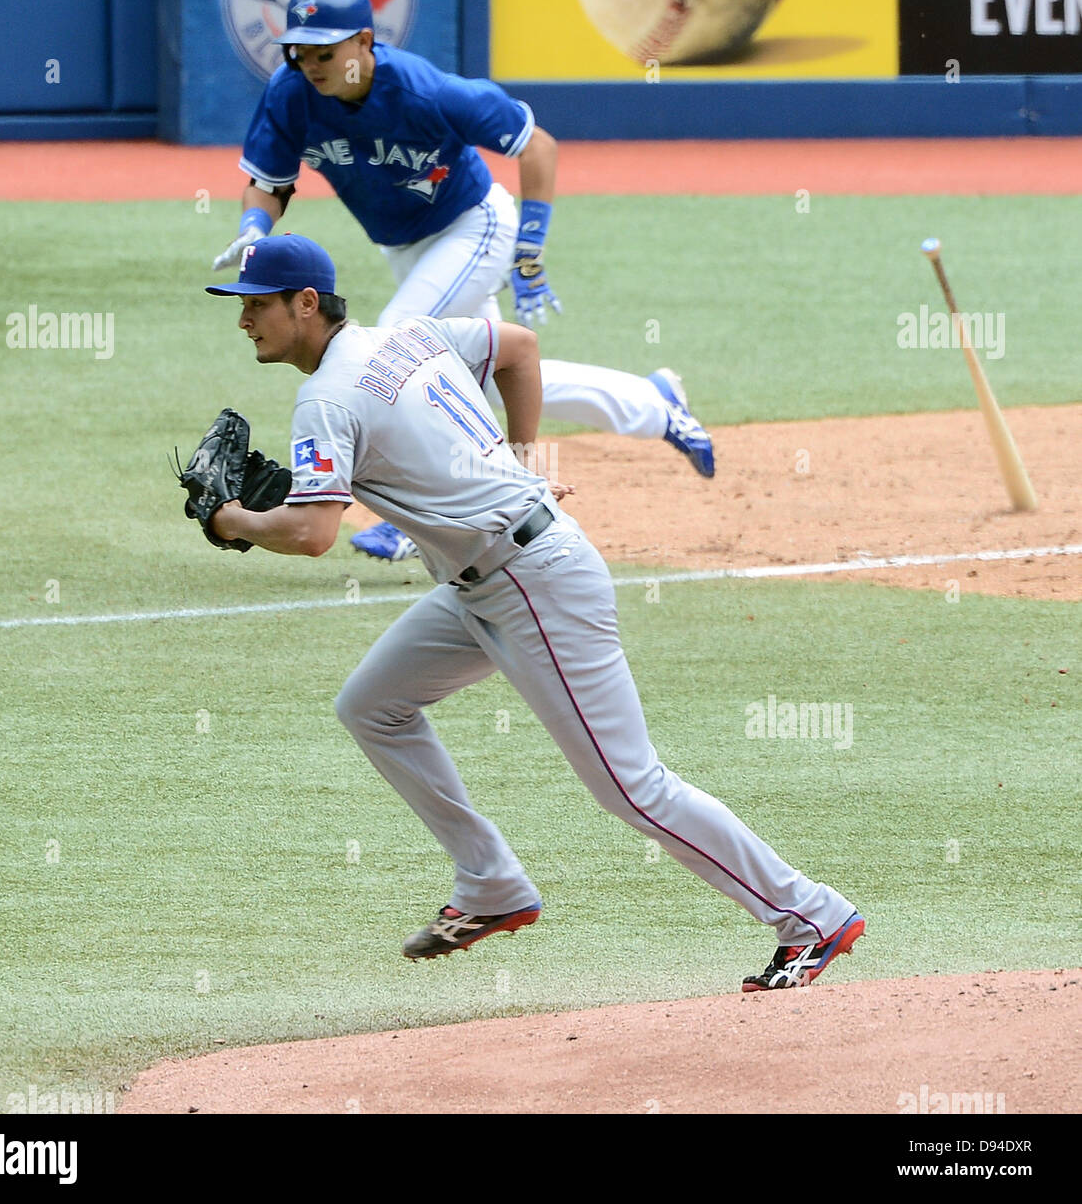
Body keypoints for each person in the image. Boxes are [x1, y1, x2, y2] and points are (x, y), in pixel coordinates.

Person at [202, 231, 866, 990]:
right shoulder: (410, 337)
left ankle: (810, 914)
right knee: (372, 706)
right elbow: (517, 346)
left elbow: (314, 534)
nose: (245, 320)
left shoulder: (323, 396)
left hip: (532, 582)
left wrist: (232, 522)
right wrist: (523, 461)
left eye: (257, 305)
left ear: (306, 303)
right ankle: (490, 882)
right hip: (487, 582)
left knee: (631, 786)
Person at [212, 0, 716, 564]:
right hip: (405, 247)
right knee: (485, 373)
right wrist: (254, 228)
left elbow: (539, 146)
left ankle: (413, 519)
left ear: (365, 42)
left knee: (392, 353)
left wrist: (529, 249)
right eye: (301, 53)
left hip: (473, 227)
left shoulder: (424, 91)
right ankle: (654, 404)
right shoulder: (290, 93)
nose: (312, 65)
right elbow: (269, 183)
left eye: (326, 52)